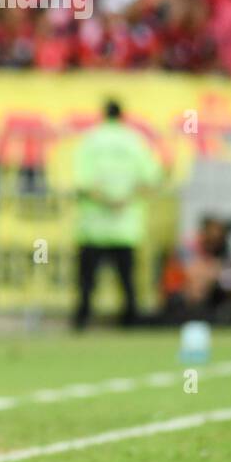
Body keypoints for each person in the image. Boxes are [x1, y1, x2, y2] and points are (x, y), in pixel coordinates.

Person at [72, 99, 160, 330]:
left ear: (102, 114)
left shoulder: (90, 140)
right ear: (122, 116)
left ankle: (81, 322)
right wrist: (123, 200)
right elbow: (151, 179)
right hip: (125, 226)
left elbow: (82, 182)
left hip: (93, 227)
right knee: (127, 281)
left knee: (87, 283)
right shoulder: (134, 141)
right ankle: (130, 322)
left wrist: (106, 200)